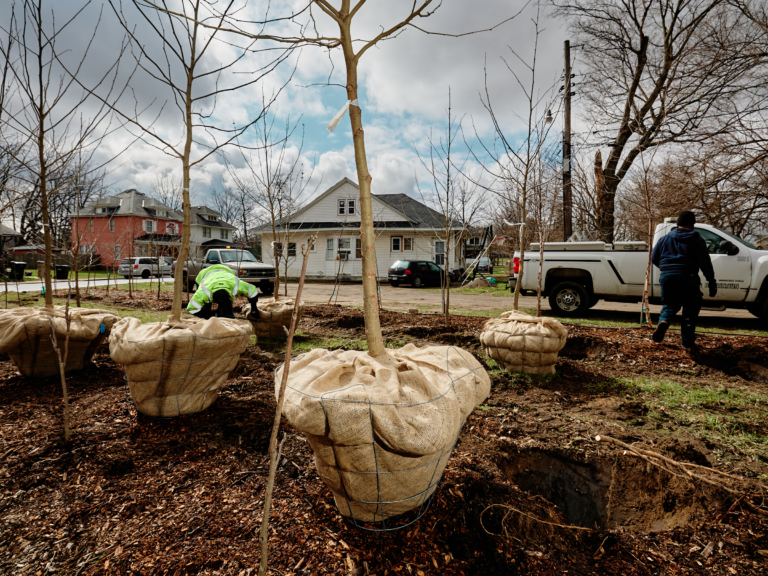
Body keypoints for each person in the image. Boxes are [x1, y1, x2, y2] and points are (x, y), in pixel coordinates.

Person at [650, 211, 716, 348]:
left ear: (677, 224)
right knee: (690, 308)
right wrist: (711, 281)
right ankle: (687, 342)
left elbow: (654, 258)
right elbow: (705, 263)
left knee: (669, 304)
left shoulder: (664, 239)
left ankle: (664, 321)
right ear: (692, 224)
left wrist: (666, 269)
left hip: (667, 277)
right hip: (688, 277)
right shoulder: (698, 240)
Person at [187, 264, 260, 320]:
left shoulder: (235, 285)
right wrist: (209, 315)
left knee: (227, 309)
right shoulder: (204, 291)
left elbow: (253, 291)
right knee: (205, 307)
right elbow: (192, 308)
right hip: (203, 274)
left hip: (227, 271)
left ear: (228, 294)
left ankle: (227, 316)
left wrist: (254, 309)